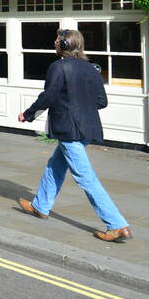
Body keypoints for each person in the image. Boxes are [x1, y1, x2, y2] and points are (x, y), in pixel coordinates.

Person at [17, 28, 131, 242]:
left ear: (65, 45)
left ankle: (116, 224)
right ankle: (40, 206)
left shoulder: (58, 67)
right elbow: (101, 101)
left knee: (85, 177)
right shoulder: (90, 69)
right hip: (87, 128)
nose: (54, 44)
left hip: (69, 129)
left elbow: (47, 97)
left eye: (56, 41)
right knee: (56, 165)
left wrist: (28, 114)